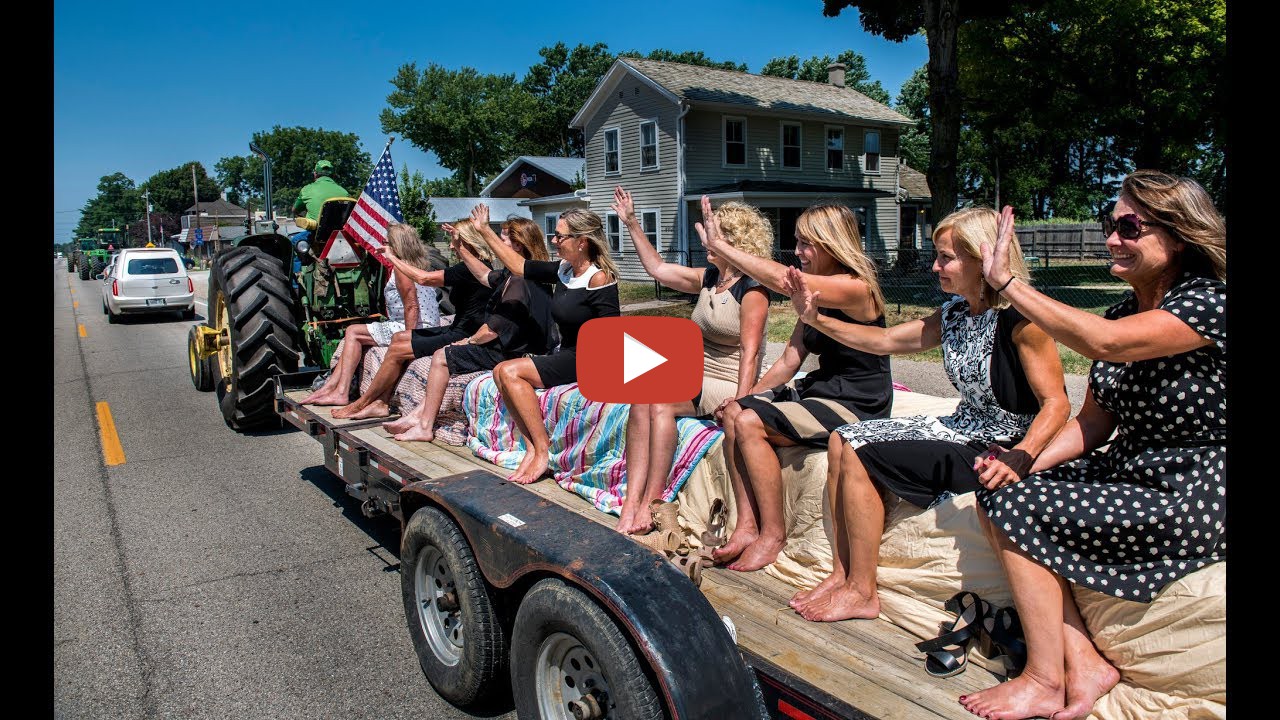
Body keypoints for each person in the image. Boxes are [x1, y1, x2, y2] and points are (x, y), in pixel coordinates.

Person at [958, 171, 1226, 720]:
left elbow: (1105, 345)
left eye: (1129, 226)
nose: (1111, 238)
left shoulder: (1210, 303)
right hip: (1133, 468)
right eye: (1111, 224)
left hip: (1192, 488)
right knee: (999, 490)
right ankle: (1082, 662)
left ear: (1177, 236)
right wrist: (1023, 460)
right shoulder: (1123, 310)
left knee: (1019, 505)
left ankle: (1043, 677)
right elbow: (1094, 423)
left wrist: (1009, 285)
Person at [783, 207, 1070, 624]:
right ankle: (844, 573)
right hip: (961, 425)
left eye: (946, 258)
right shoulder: (954, 313)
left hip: (997, 444)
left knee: (862, 449)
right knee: (842, 437)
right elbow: (882, 340)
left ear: (982, 258)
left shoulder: (1021, 321)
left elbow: (1058, 403)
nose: (935, 266)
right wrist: (815, 319)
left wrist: (1022, 455)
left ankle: (863, 592)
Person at [696, 198, 893, 572]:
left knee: (751, 422)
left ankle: (773, 534)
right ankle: (746, 526)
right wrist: (741, 398)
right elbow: (790, 359)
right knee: (738, 412)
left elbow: (783, 280)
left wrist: (723, 247)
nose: (798, 252)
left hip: (858, 401)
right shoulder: (813, 294)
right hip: (825, 388)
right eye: (797, 241)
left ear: (833, 243)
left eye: (806, 243)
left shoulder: (856, 288)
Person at [610, 187, 772, 535]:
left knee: (661, 402)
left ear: (733, 240)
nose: (705, 237)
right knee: (641, 393)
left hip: (727, 381)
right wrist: (632, 223)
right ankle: (632, 498)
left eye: (714, 232)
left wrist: (741, 401)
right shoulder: (710, 277)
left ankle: (653, 501)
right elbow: (657, 268)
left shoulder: (753, 289)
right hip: (696, 373)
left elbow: (751, 352)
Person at [478, 204, 620, 485]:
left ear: (582, 242)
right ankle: (531, 447)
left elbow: (612, 336)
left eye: (559, 236)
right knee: (498, 372)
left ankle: (544, 452)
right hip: (569, 353)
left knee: (509, 371)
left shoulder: (599, 278)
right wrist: (485, 231)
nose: (553, 240)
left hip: (590, 358)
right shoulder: (565, 270)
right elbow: (518, 265)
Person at [381, 217, 557, 442]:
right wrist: (459, 246)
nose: (494, 243)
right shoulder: (524, 275)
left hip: (510, 353)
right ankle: (416, 416)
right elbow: (483, 274)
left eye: (500, 239)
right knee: (451, 354)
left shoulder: (518, 282)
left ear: (517, 245)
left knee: (442, 357)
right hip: (516, 347)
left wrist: (468, 342)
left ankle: (425, 426)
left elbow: (492, 330)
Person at [329, 222, 495, 419]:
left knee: (399, 347)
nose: (451, 246)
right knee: (399, 338)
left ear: (468, 242)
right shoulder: (474, 268)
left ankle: (362, 403)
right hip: (458, 327)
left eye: (455, 241)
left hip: (465, 334)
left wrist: (391, 257)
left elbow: (423, 280)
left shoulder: (469, 270)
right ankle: (380, 403)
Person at [300, 223, 440, 406]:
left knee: (352, 331)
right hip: (429, 324)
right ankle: (332, 387)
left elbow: (411, 306)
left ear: (395, 246)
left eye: (386, 242)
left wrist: (410, 338)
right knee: (354, 332)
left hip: (417, 327)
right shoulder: (418, 266)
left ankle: (341, 391)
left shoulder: (401, 269)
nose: (382, 244)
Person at [290, 159, 349, 252]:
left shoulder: (307, 190)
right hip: (340, 236)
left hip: (317, 235)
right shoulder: (344, 192)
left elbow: (295, 210)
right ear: (332, 175)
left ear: (315, 174)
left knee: (295, 241)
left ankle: (300, 266)